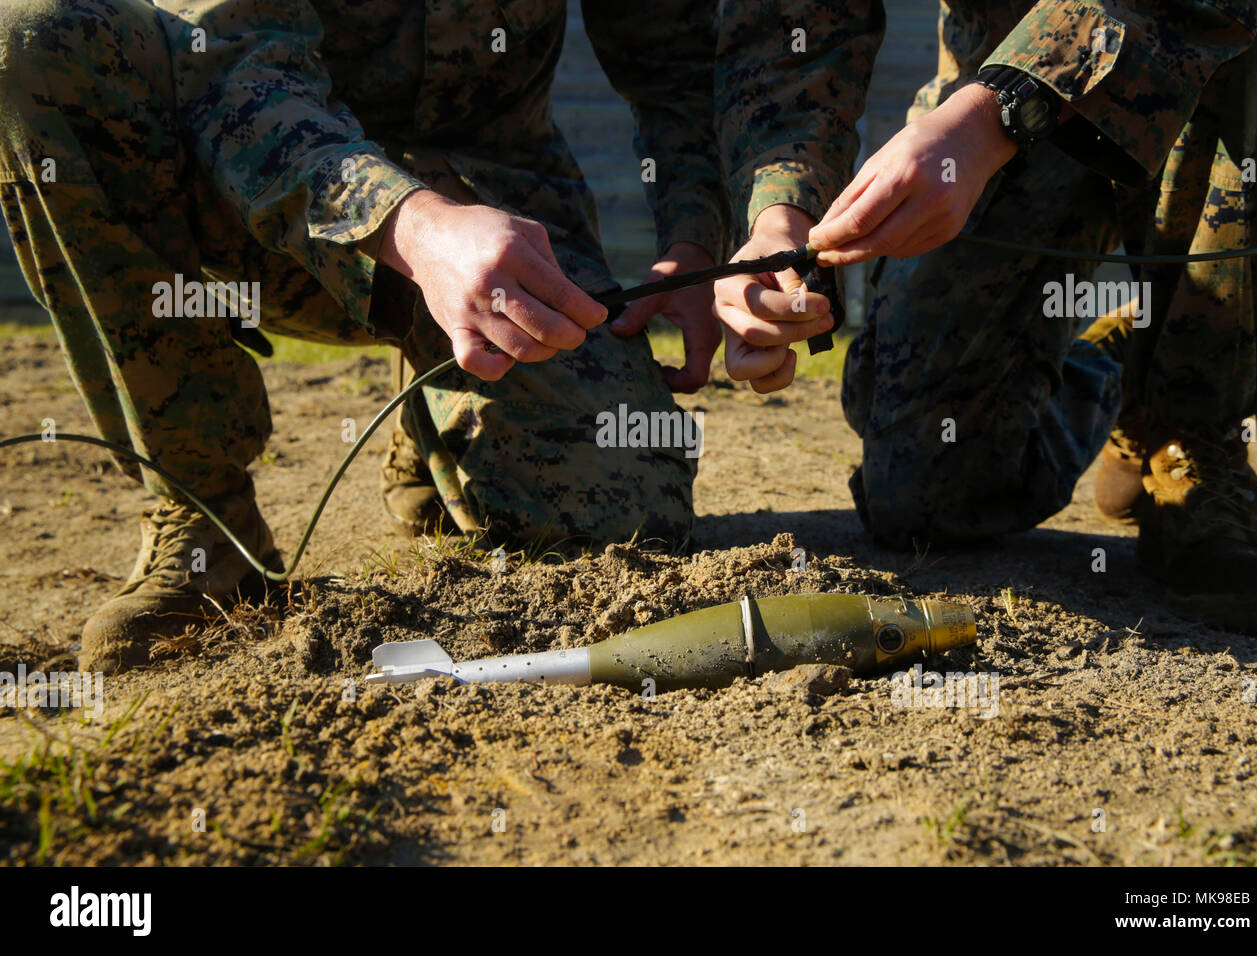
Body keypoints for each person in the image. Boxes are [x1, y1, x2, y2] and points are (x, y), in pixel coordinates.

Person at [0, 0, 729, 673]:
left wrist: (697, 242)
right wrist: (410, 222)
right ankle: (203, 512)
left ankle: (435, 413)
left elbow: (673, 64)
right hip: (255, 200)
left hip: (505, 216)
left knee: (626, 518)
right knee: (34, 38)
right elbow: (241, 72)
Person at [714, 0, 1257, 626]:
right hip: (997, 116)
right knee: (930, 496)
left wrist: (997, 112)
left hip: (1188, 71)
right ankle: (1118, 358)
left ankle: (1194, 426)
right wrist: (782, 209)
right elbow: (794, 29)